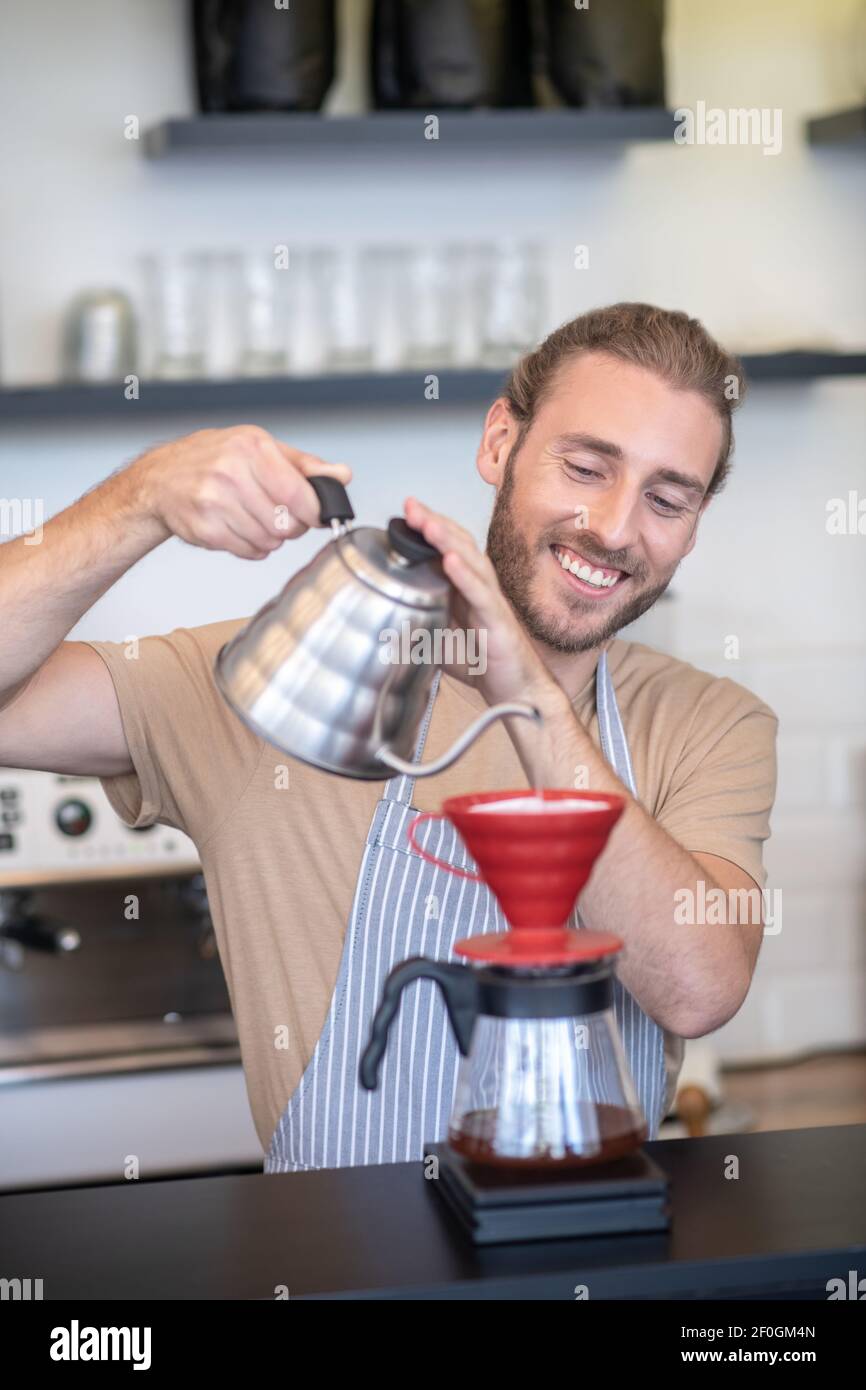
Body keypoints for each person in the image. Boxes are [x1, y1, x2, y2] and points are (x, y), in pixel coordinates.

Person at [0, 302, 777, 1171]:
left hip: (590, 1256)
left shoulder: (709, 725)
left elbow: (699, 988)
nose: (616, 526)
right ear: (499, 444)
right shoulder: (282, 675)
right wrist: (138, 500)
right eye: (587, 466)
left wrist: (518, 684)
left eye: (667, 499)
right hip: (338, 1266)